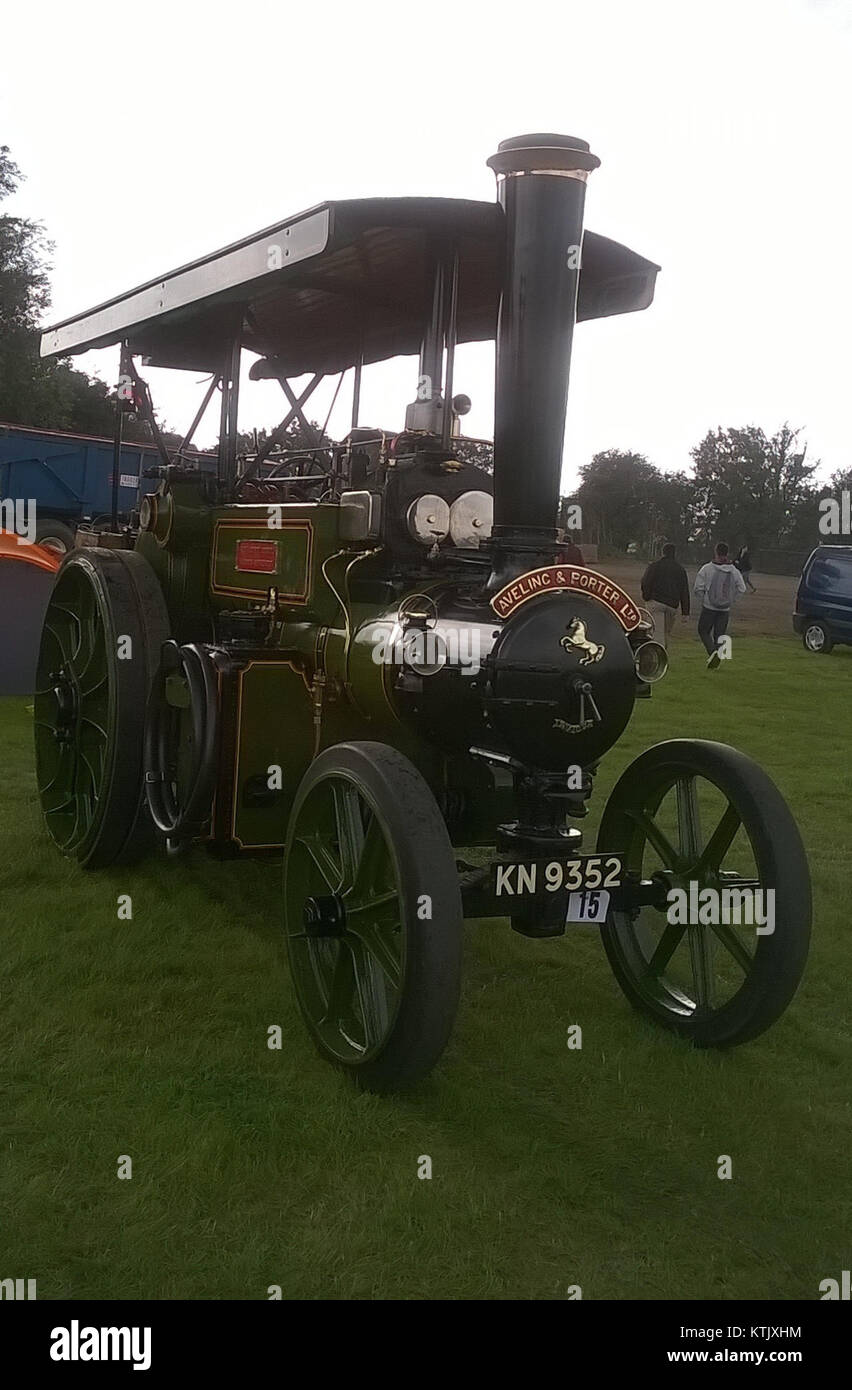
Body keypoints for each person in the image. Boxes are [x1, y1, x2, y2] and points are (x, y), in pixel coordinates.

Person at [694, 541, 746, 669]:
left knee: (703, 631)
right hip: (725, 608)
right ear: (727, 553)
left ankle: (713, 654)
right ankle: (716, 659)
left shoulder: (707, 568)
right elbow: (742, 588)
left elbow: (698, 588)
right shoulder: (733, 570)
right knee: (720, 635)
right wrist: (732, 599)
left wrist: (703, 599)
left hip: (709, 607)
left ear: (715, 552)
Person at [640, 542, 690, 648]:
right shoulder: (680, 569)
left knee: (656, 635)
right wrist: (685, 612)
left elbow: (646, 582)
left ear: (663, 552)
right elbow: (684, 591)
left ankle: (657, 660)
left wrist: (646, 597)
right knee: (665, 634)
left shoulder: (655, 566)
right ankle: (663, 657)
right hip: (672, 605)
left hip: (656, 602)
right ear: (674, 554)